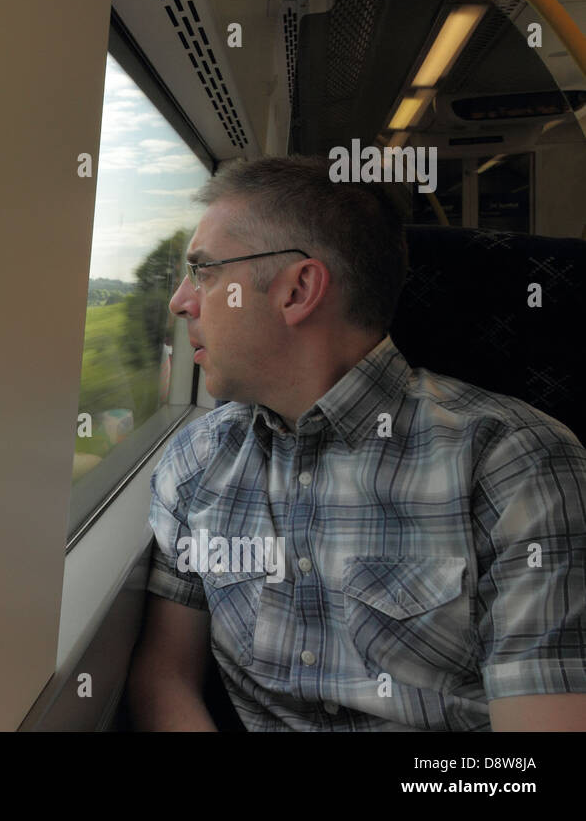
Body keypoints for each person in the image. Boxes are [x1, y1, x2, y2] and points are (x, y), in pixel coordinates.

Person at [126, 156, 586, 731]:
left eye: (204, 272)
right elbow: (165, 677)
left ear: (298, 290)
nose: (180, 301)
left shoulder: (517, 462)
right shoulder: (197, 461)